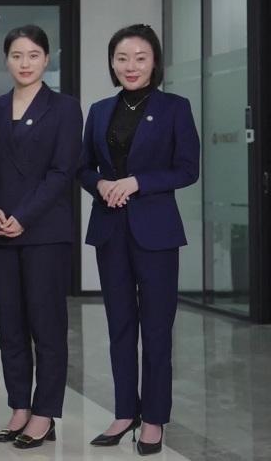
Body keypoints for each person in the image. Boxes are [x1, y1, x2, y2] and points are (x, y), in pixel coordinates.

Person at [79, 24, 199, 455]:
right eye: (122, 58)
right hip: (110, 230)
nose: (131, 66)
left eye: (140, 58)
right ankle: (124, 412)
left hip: (157, 233)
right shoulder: (99, 110)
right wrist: (100, 185)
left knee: (157, 329)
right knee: (119, 327)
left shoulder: (174, 108)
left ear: (154, 63)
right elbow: (83, 166)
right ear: (112, 63)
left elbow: (187, 169)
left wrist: (136, 182)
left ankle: (154, 419)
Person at [0, 26, 82, 448]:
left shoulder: (65, 108)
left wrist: (23, 216)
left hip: (44, 232)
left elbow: (62, 171)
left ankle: (44, 413)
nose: (25, 63)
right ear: (6, 60)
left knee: (47, 325)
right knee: (11, 326)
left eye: (34, 55)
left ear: (47, 59)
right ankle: (20, 406)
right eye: (17, 55)